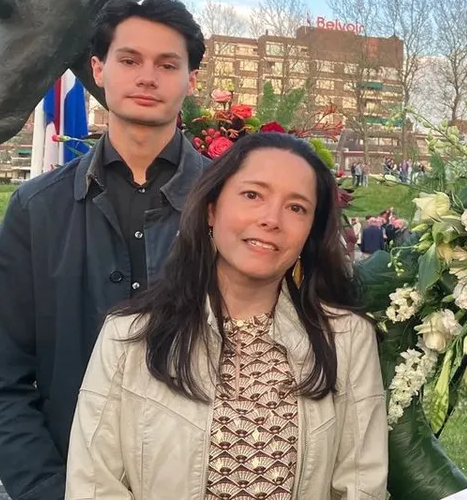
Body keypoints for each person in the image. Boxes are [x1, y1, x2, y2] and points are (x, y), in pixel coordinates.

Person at [0, 0, 209, 500]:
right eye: (130, 60)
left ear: (191, 80)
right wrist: (46, 490)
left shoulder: (230, 207)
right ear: (99, 69)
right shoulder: (37, 209)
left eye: (167, 64)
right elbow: (0, 377)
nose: (147, 77)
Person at [66, 132, 388, 498]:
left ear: (309, 233)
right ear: (212, 208)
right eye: (253, 195)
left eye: (296, 207)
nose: (272, 219)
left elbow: (361, 485)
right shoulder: (130, 336)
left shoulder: (346, 340)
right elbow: (94, 485)